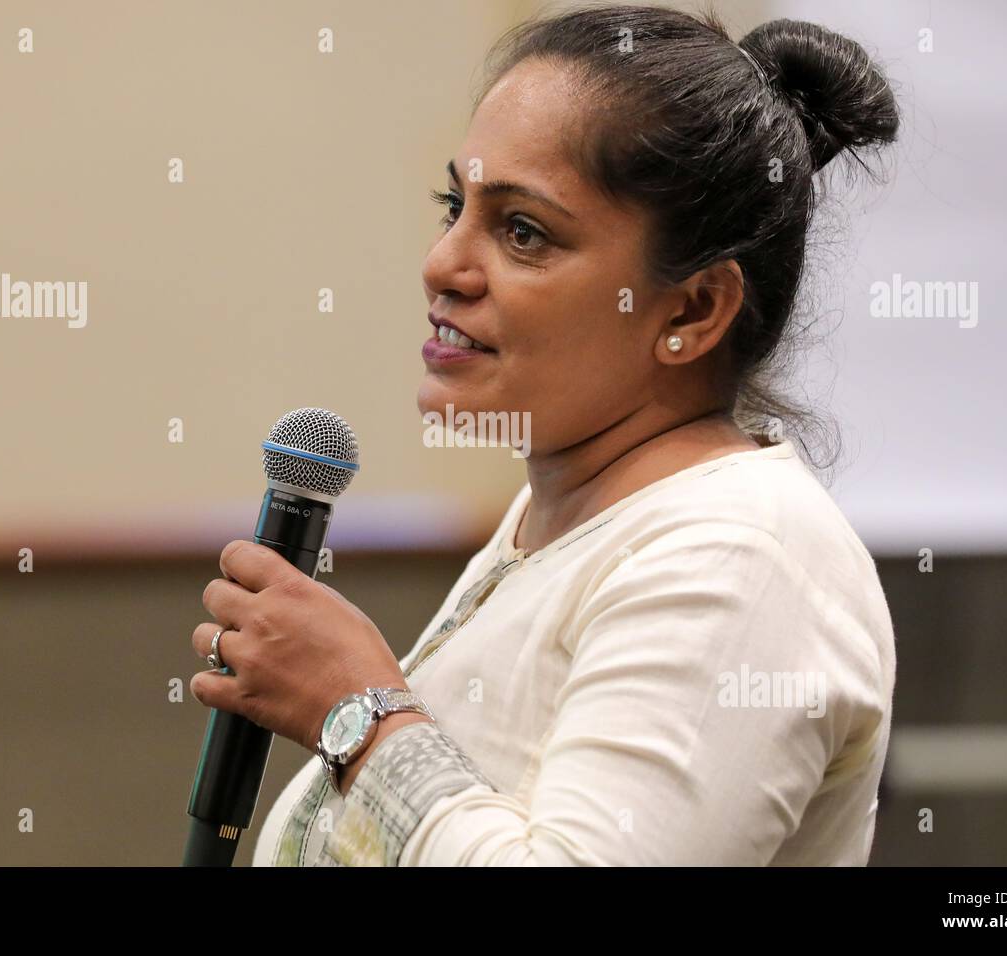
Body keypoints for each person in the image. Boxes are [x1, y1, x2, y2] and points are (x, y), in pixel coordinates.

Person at [189, 4, 900, 866]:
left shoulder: (742, 558)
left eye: (522, 231)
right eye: (456, 204)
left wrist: (357, 712)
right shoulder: (563, 512)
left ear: (693, 308)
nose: (444, 264)